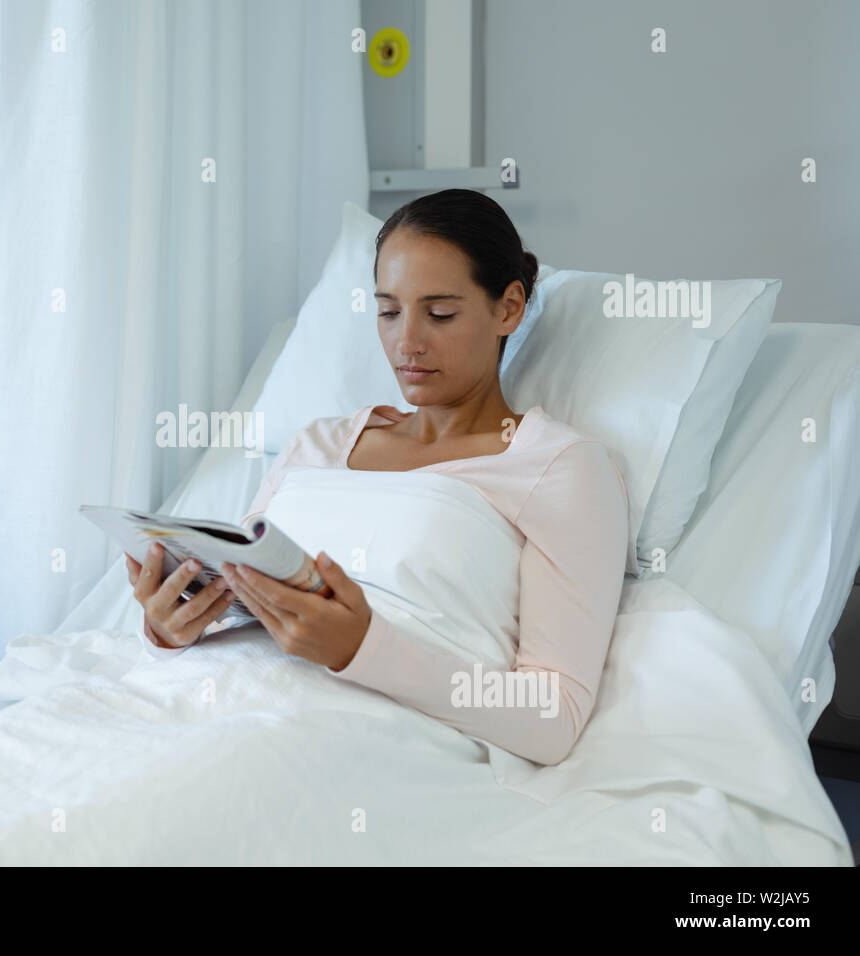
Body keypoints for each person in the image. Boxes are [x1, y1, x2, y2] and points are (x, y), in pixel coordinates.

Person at [125, 189, 629, 766]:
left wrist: (364, 649)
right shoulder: (318, 443)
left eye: (440, 313)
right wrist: (170, 626)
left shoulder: (560, 466)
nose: (406, 343)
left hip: (345, 743)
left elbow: (553, 717)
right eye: (389, 311)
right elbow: (240, 587)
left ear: (508, 308)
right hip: (195, 701)